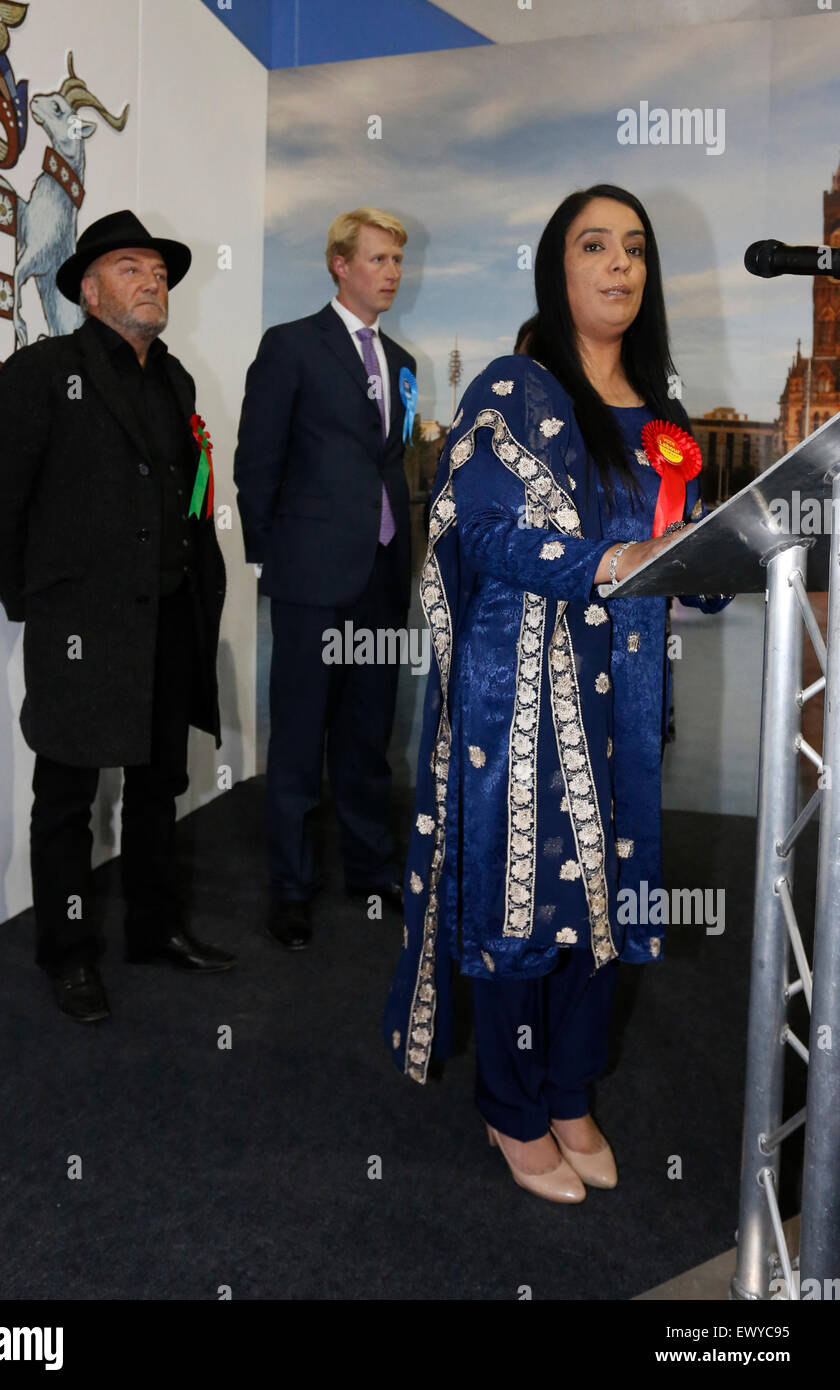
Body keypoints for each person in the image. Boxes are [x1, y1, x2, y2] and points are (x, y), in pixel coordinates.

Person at [383, 185, 730, 1202]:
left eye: (635, 248)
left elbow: (685, 555)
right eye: (595, 246)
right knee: (522, 906)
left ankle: (570, 1088)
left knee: (604, 904)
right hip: (520, 700)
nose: (620, 264)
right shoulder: (512, 390)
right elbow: (479, 532)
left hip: (620, 704)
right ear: (557, 268)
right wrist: (611, 557)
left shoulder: (662, 418)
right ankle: (511, 1107)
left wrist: (712, 558)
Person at [0, 210, 236, 1023]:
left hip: (168, 625)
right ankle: (68, 955)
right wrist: (38, 601)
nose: (151, 280)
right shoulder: (45, 371)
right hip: (80, 633)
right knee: (68, 802)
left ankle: (153, 931)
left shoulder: (177, 380)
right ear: (87, 289)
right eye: (129, 267)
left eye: (158, 270)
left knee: (159, 790)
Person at [234, 208, 417, 950]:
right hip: (312, 580)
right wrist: (272, 559)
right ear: (340, 265)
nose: (393, 273)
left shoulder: (403, 362)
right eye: (378, 259)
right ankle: (290, 887)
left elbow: (388, 461)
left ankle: (371, 868)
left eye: (398, 261)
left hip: (380, 575)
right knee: (300, 735)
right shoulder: (291, 346)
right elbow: (257, 463)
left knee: (368, 732)